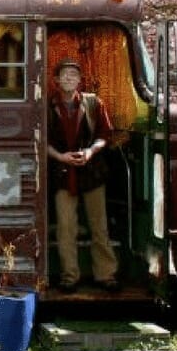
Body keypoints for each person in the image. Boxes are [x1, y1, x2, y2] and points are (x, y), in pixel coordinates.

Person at [47, 58, 119, 293]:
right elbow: (41, 140)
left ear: (79, 80)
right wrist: (60, 157)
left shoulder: (94, 102)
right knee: (66, 227)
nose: (69, 78)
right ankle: (69, 276)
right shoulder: (47, 106)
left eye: (73, 75)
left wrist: (90, 152)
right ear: (56, 80)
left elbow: (105, 135)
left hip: (91, 171)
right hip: (63, 172)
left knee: (99, 226)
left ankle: (106, 274)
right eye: (64, 75)